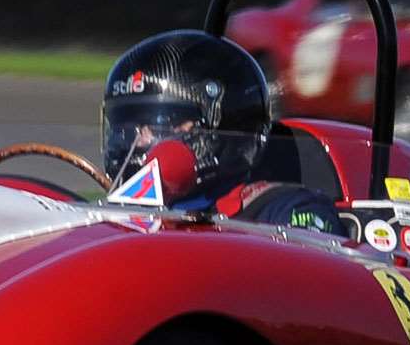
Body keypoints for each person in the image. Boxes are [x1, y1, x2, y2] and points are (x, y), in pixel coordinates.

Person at [98, 31, 342, 235]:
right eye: (129, 127)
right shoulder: (117, 217)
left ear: (215, 128)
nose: (139, 140)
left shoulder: (284, 210)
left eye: (161, 125)